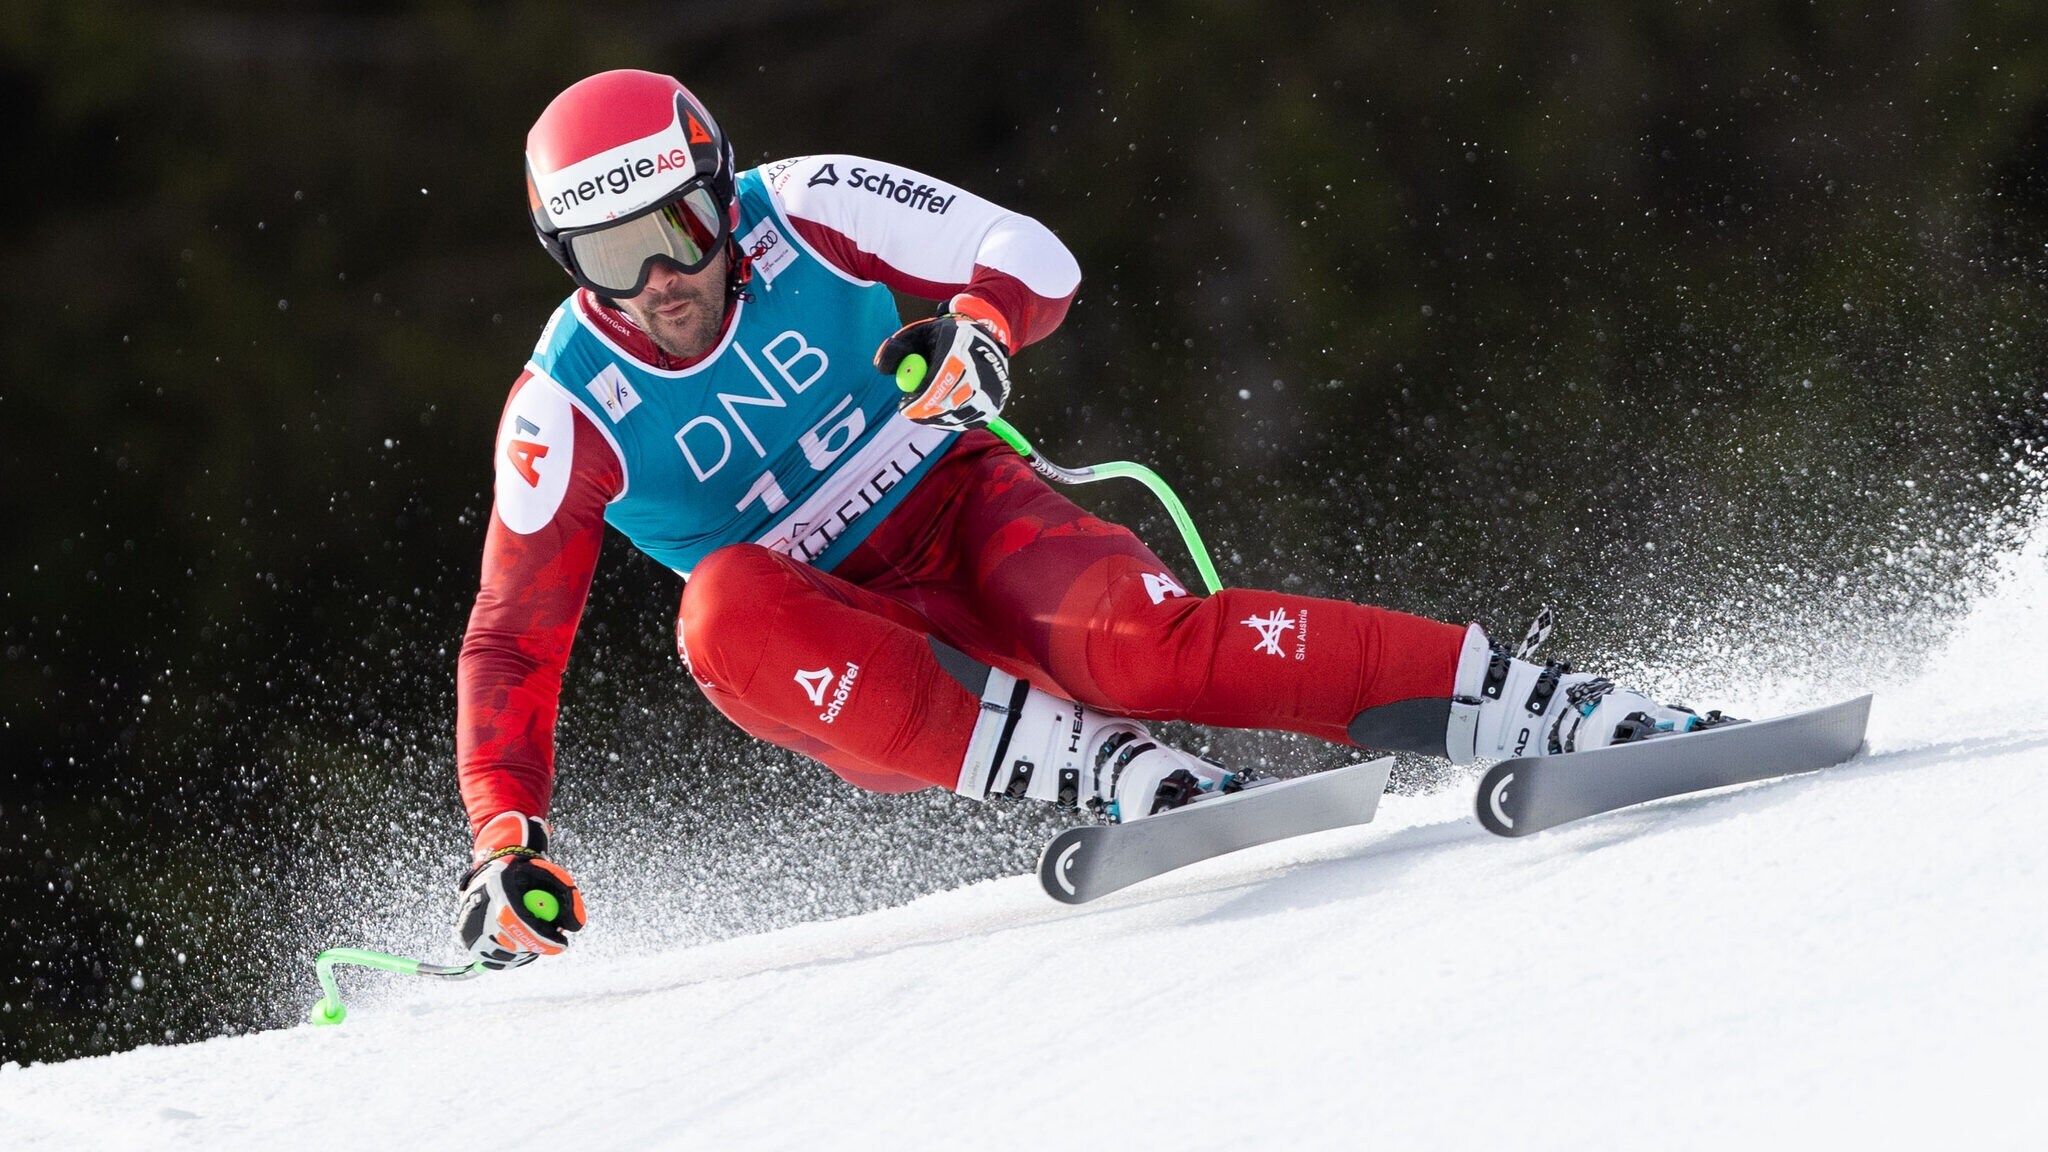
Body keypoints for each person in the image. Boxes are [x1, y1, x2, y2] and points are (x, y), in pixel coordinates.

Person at [452, 69, 1716, 969]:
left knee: (1144, 649)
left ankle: (1547, 703)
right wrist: (506, 839)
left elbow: (1028, 252)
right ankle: (1106, 772)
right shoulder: (565, 407)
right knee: (716, 607)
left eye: (680, 227)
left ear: (721, 193)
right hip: (846, 652)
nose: (663, 280)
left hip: (963, 515)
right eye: (612, 257)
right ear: (567, 262)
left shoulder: (806, 208)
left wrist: (983, 331)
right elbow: (511, 642)